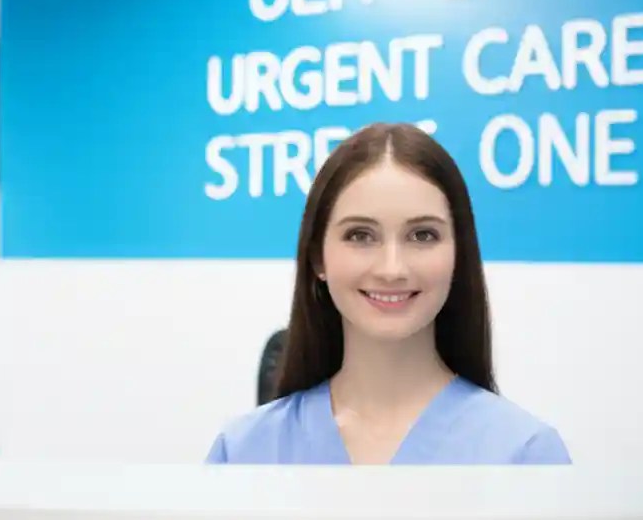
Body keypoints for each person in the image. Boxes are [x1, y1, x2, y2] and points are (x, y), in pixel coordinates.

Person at [206, 123, 571, 465]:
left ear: (459, 253)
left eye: (423, 235)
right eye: (360, 236)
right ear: (318, 256)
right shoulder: (242, 451)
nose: (391, 268)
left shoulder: (525, 455)